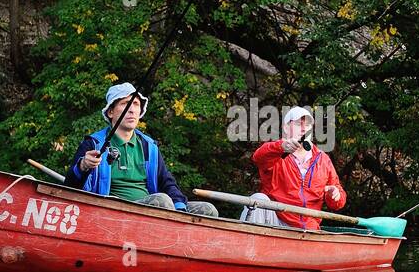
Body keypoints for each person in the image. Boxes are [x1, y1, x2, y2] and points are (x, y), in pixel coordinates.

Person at [61, 82, 218, 216]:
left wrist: (180, 207)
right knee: (161, 201)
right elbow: (69, 187)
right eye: (125, 103)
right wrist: (82, 167)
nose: (132, 109)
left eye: (135, 104)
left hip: (151, 210)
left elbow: (167, 182)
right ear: (110, 112)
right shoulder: (93, 143)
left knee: (208, 210)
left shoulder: (149, 147)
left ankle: (182, 249)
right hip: (112, 212)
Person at [244, 106, 344, 229]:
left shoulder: (323, 159)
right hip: (275, 224)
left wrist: (334, 194)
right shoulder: (276, 153)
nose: (303, 129)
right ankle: (249, 246)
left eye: (307, 125)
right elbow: (258, 157)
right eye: (298, 124)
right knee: (258, 199)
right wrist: (281, 146)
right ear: (286, 127)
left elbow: (338, 204)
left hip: (308, 230)